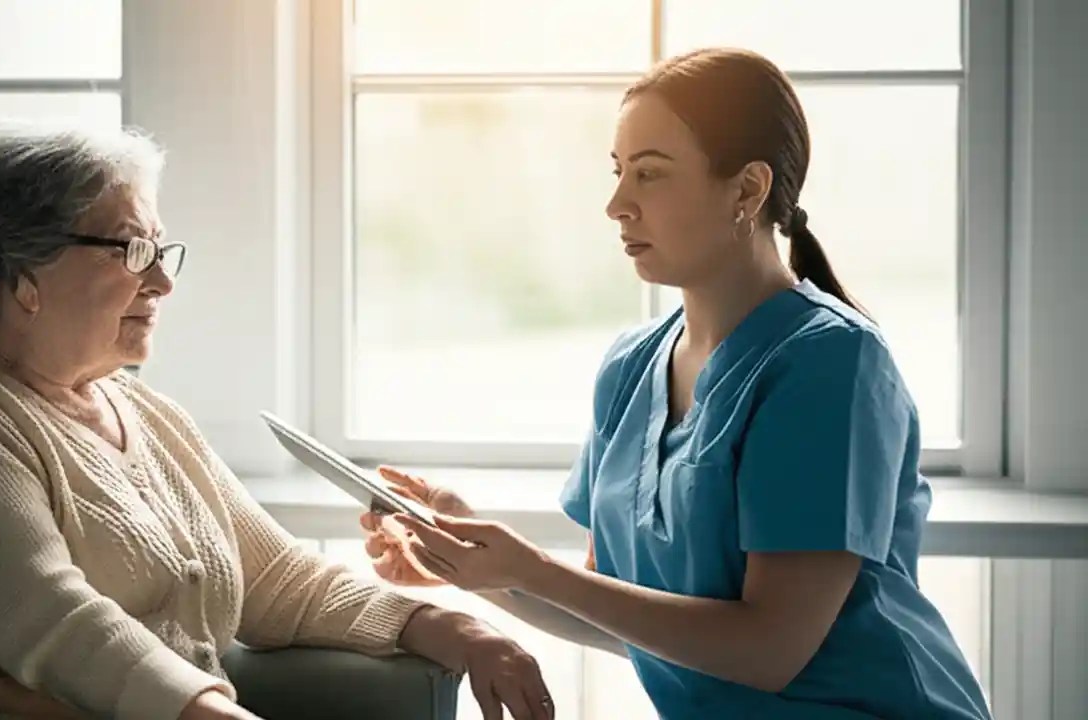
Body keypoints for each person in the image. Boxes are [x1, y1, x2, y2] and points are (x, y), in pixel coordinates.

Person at [0, 123, 554, 720]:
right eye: (130, 250)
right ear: (26, 274)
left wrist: (452, 628)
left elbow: (278, 578)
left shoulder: (143, 410)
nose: (162, 281)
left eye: (160, 249)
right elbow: (65, 627)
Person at [360, 48, 993, 719]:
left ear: (747, 189)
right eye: (617, 172)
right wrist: (471, 565)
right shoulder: (631, 367)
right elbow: (620, 617)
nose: (616, 205)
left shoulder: (831, 365)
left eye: (650, 175)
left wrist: (530, 570)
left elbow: (771, 650)